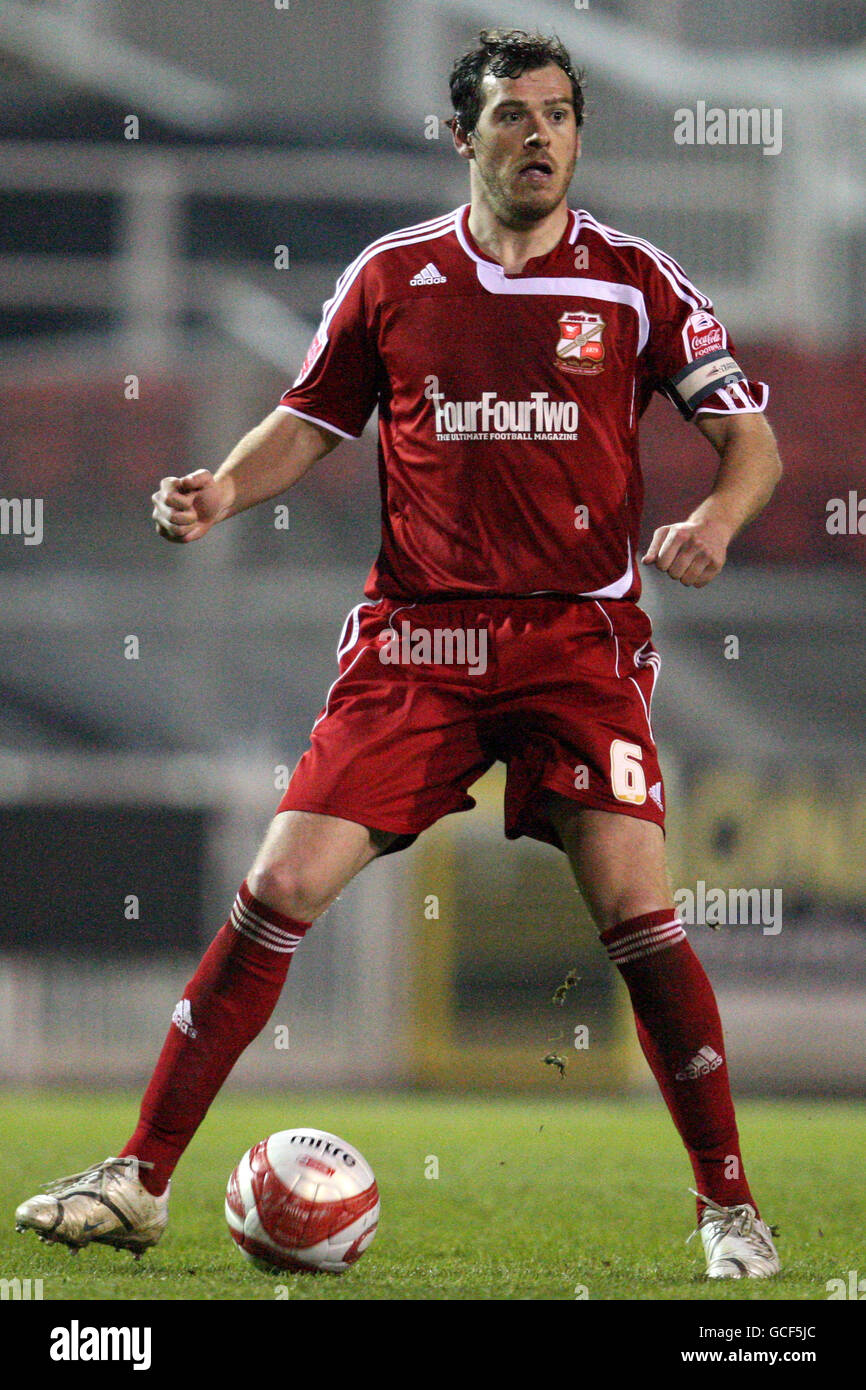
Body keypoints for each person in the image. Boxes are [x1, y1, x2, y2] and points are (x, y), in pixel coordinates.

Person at [16, 29, 783, 1279]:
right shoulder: (393, 277)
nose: (538, 136)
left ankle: (727, 1207)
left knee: (637, 910)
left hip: (576, 642)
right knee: (278, 884)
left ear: (578, 134)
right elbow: (308, 419)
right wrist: (220, 490)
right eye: (511, 116)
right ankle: (139, 1179)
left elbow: (750, 443)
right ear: (461, 137)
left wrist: (711, 517)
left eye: (557, 114)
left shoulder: (635, 282)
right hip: (416, 644)